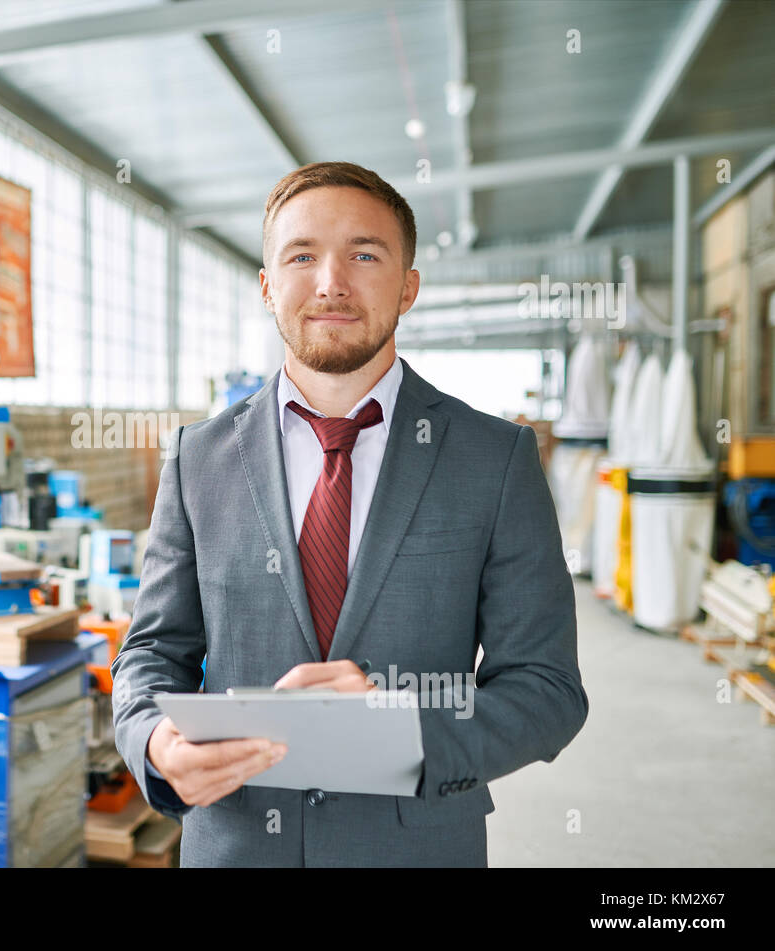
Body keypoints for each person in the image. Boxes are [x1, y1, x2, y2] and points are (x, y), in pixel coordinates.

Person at [110, 161, 589, 867]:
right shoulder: (197, 458)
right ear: (268, 285)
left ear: (409, 286)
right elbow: (152, 651)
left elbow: (546, 688)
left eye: (365, 254)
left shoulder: (495, 459)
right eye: (301, 256)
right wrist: (154, 738)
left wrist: (400, 733)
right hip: (237, 842)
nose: (331, 282)